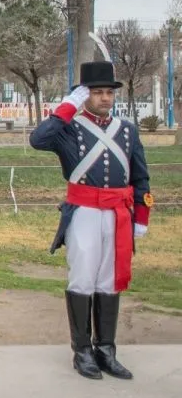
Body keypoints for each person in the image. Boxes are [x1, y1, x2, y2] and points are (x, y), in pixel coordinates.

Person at [30, 60, 151, 380]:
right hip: (83, 211)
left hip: (118, 215)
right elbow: (38, 139)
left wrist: (142, 214)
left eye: (108, 92)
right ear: (85, 95)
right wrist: (68, 105)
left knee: (110, 279)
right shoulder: (68, 129)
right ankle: (82, 350)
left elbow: (140, 176)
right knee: (82, 277)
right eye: (96, 93)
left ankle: (106, 349)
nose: (104, 98)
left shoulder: (126, 130)